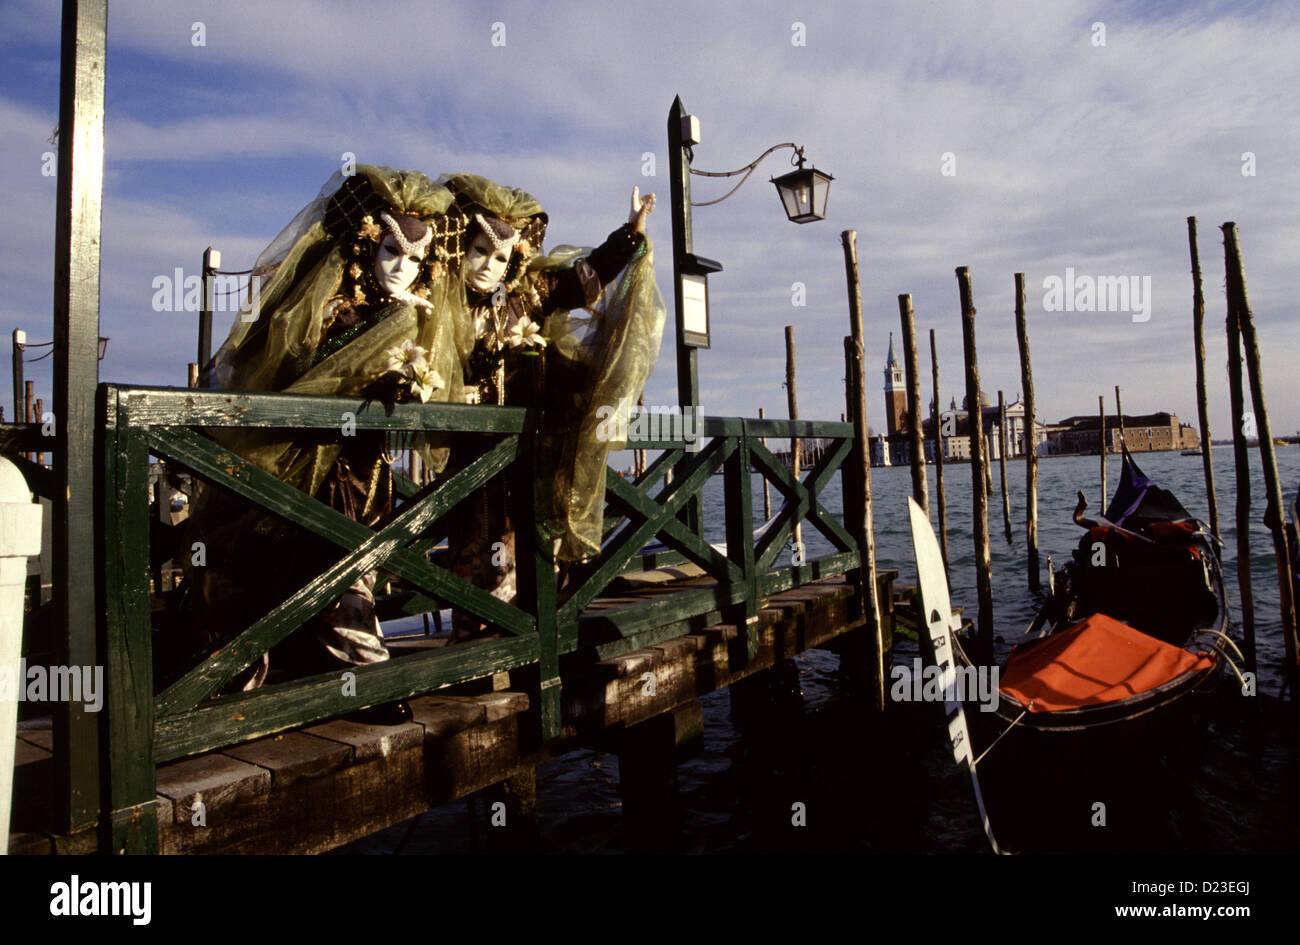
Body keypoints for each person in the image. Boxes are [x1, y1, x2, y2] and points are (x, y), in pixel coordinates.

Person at [176, 165, 469, 706]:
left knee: (339, 563)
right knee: (324, 565)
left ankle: (304, 664)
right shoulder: (335, 310)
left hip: (364, 470)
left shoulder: (406, 311)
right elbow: (314, 373)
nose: (403, 269)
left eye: (415, 259)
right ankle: (363, 680)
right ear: (366, 248)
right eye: (391, 252)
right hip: (311, 468)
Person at [437, 173, 665, 640]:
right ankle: (476, 650)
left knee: (532, 542)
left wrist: (630, 232)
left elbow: (588, 275)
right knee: (476, 545)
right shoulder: (442, 306)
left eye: (499, 257)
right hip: (472, 456)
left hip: (527, 456)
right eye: (478, 252)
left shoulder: (527, 296)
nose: (487, 265)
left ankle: (533, 644)